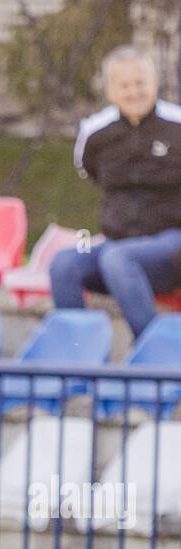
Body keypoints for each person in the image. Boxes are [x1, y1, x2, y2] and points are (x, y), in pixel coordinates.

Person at [51, 46, 181, 337]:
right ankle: (77, 358)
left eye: (140, 83)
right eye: (125, 85)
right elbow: (88, 170)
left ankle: (152, 355)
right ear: (111, 91)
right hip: (117, 243)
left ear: (154, 83)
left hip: (172, 244)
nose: (134, 92)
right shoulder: (95, 132)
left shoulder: (177, 124)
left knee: (119, 259)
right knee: (64, 264)